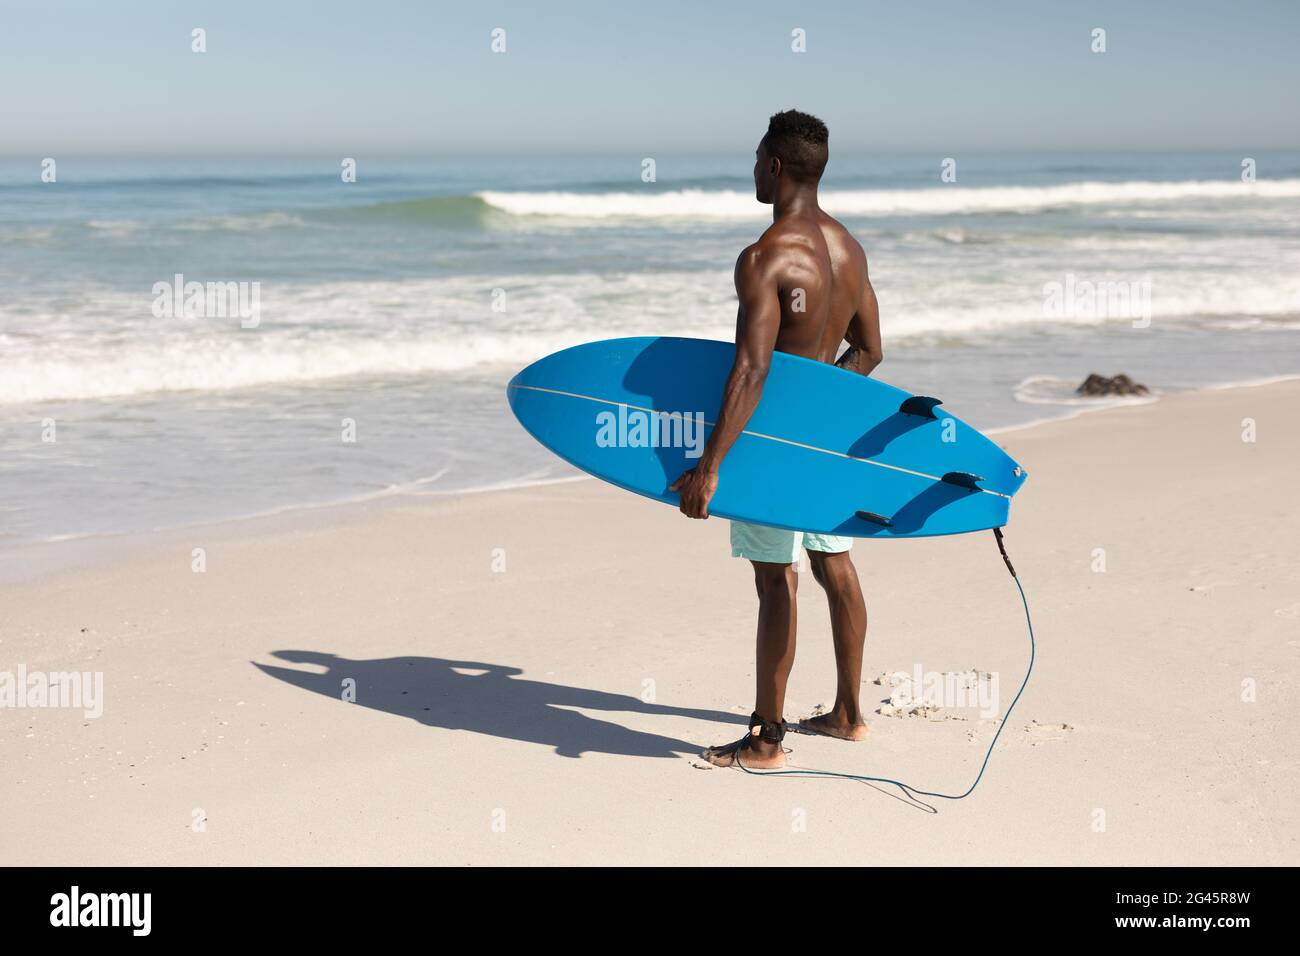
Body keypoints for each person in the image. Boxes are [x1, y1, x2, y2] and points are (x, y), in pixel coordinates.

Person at [670, 109, 883, 769]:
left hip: (770, 445)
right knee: (834, 564)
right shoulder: (848, 249)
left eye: (757, 156)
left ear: (774, 165)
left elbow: (753, 367)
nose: (753, 168)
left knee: (776, 580)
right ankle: (849, 714)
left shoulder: (765, 256)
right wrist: (817, 407)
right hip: (826, 441)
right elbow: (870, 351)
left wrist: (711, 464)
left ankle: (766, 738)